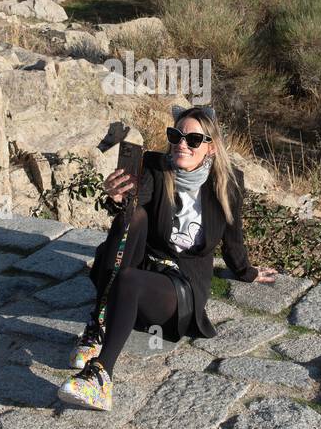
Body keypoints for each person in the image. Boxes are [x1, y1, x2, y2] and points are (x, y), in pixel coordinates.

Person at [58, 105, 279, 411]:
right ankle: (98, 325)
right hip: (145, 263)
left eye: (193, 140)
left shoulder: (229, 183)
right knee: (133, 216)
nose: (182, 144)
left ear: (210, 147)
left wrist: (247, 272)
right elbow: (136, 202)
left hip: (179, 286)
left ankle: (101, 375)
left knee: (129, 279)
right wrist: (118, 200)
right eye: (176, 135)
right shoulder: (155, 167)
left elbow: (233, 241)